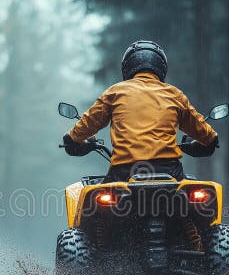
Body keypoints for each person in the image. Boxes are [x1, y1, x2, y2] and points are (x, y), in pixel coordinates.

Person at [62, 40, 219, 182]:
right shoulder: (174, 94)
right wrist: (204, 142)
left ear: (127, 67)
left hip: (123, 172)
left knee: (93, 207)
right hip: (170, 171)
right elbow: (208, 136)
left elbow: (89, 122)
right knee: (195, 206)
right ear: (161, 68)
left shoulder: (115, 92)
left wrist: (72, 138)